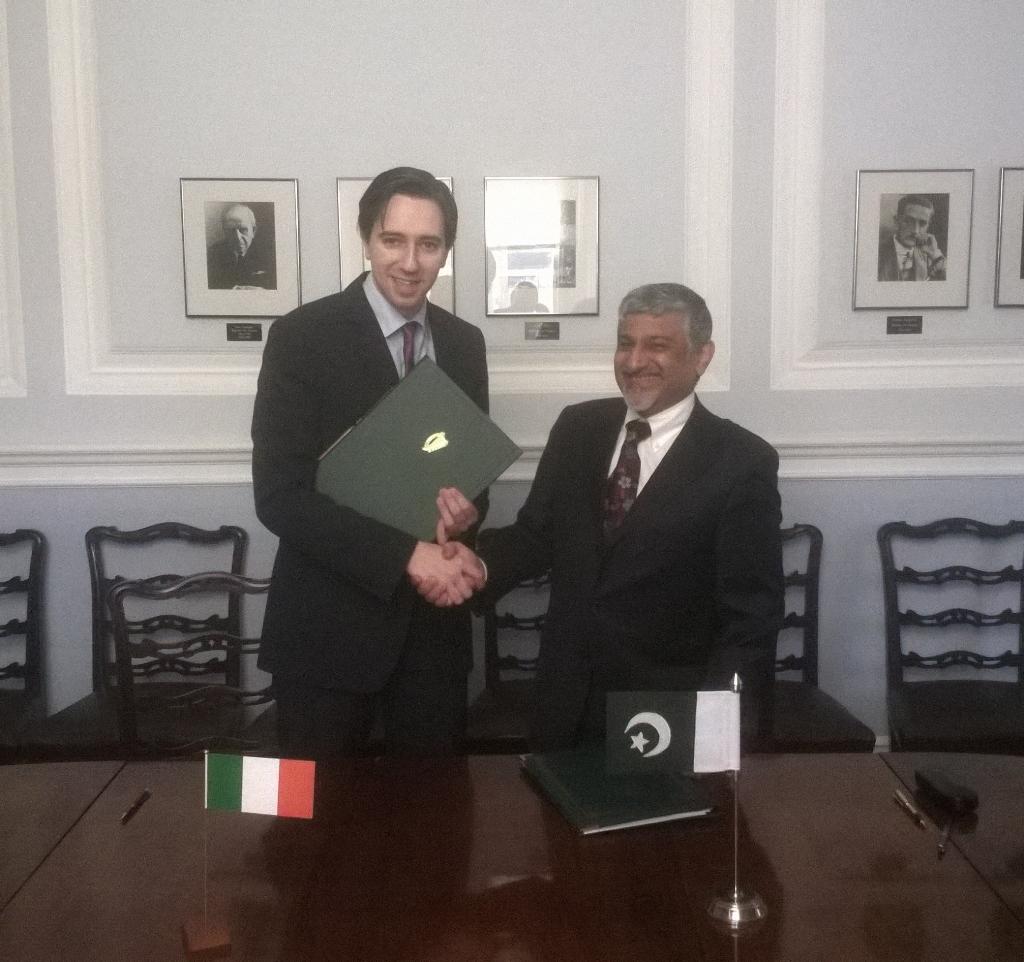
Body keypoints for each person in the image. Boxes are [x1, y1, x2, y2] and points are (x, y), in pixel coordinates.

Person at [437, 282, 784, 750]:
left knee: (660, 826)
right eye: (626, 343)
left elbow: (750, 619)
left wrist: (721, 736)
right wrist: (476, 565)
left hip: (662, 719)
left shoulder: (741, 462)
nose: (634, 361)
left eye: (657, 345)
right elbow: (536, 535)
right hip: (563, 703)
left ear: (702, 356)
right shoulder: (578, 428)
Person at [251, 167, 486, 759]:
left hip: (434, 643)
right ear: (366, 239)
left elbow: (469, 474)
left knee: (433, 828)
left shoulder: (464, 344)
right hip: (328, 637)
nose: (410, 262)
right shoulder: (301, 337)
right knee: (310, 835)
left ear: (445, 252)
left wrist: (463, 518)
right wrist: (409, 554)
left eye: (428, 245)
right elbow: (280, 497)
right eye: (393, 241)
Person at [207, 203, 277, 289]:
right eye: (231, 231)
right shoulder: (212, 255)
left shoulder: (269, 255)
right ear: (224, 231)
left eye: (243, 230)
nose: (237, 237)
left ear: (254, 231)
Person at [877, 195, 947, 281]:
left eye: (922, 224)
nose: (915, 231)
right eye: (908, 221)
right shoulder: (878, 253)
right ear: (896, 221)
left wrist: (935, 255)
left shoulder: (930, 258)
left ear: (928, 226)